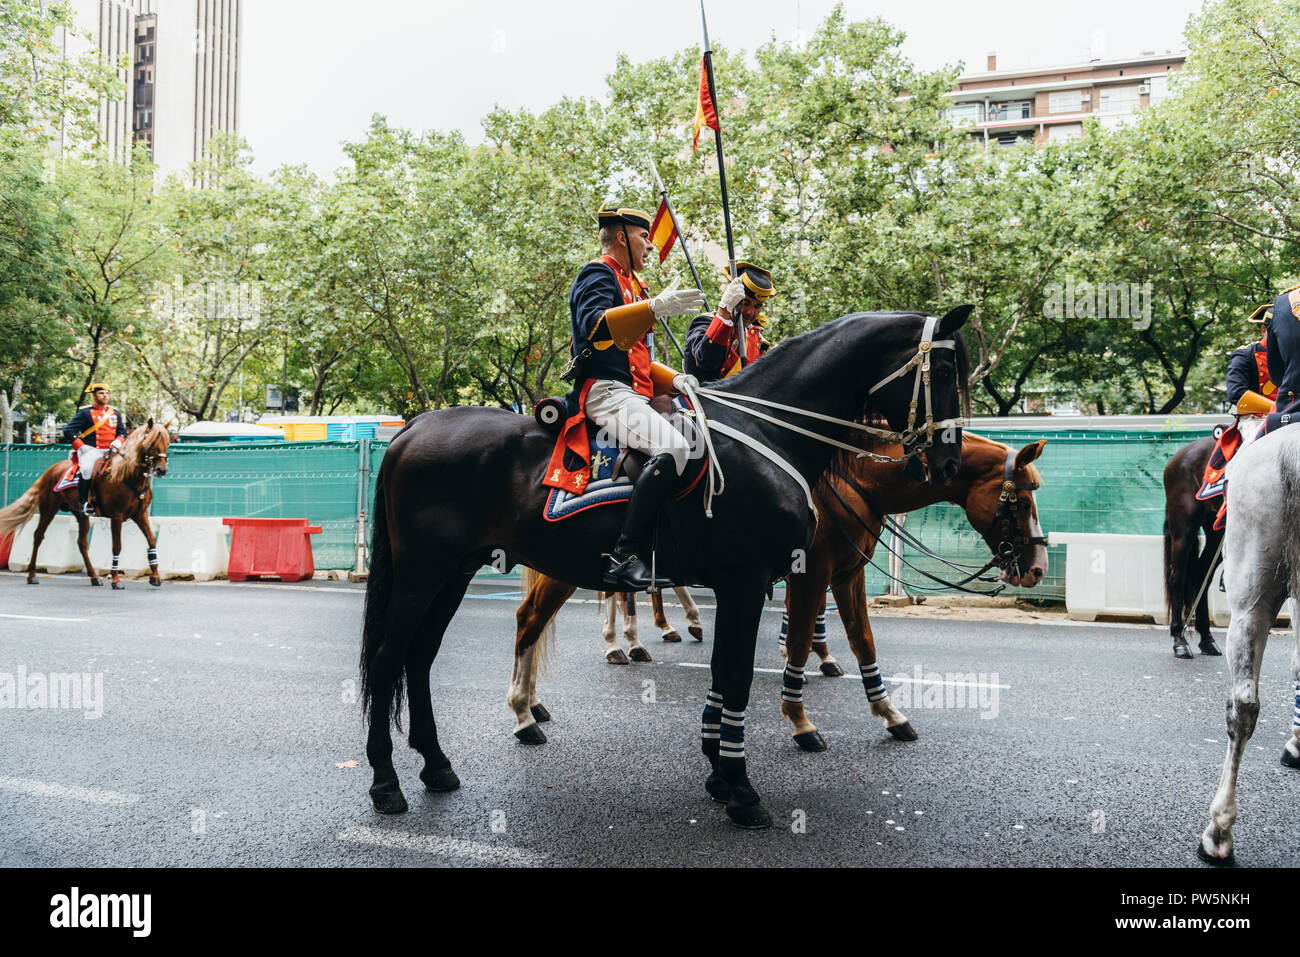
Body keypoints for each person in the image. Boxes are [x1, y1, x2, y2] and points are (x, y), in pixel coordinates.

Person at [562, 203, 705, 590]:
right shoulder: (598, 272)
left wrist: (677, 381)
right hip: (606, 393)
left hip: (634, 393)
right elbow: (595, 329)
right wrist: (652, 308)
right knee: (674, 447)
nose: (649, 246)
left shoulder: (633, 284)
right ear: (622, 236)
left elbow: (638, 360)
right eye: (644, 237)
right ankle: (623, 556)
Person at [683, 261, 775, 383]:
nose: (750, 312)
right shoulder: (704, 322)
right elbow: (706, 361)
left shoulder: (754, 337)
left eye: (757, 306)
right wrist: (724, 311)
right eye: (745, 303)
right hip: (701, 399)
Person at [63, 383, 127, 516]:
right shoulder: (85, 412)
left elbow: (122, 432)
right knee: (86, 469)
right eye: (101, 393)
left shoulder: (114, 413)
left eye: (107, 393)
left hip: (111, 450)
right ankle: (83, 503)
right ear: (94, 395)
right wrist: (81, 446)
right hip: (90, 450)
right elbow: (68, 430)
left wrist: (118, 441)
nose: (105, 396)